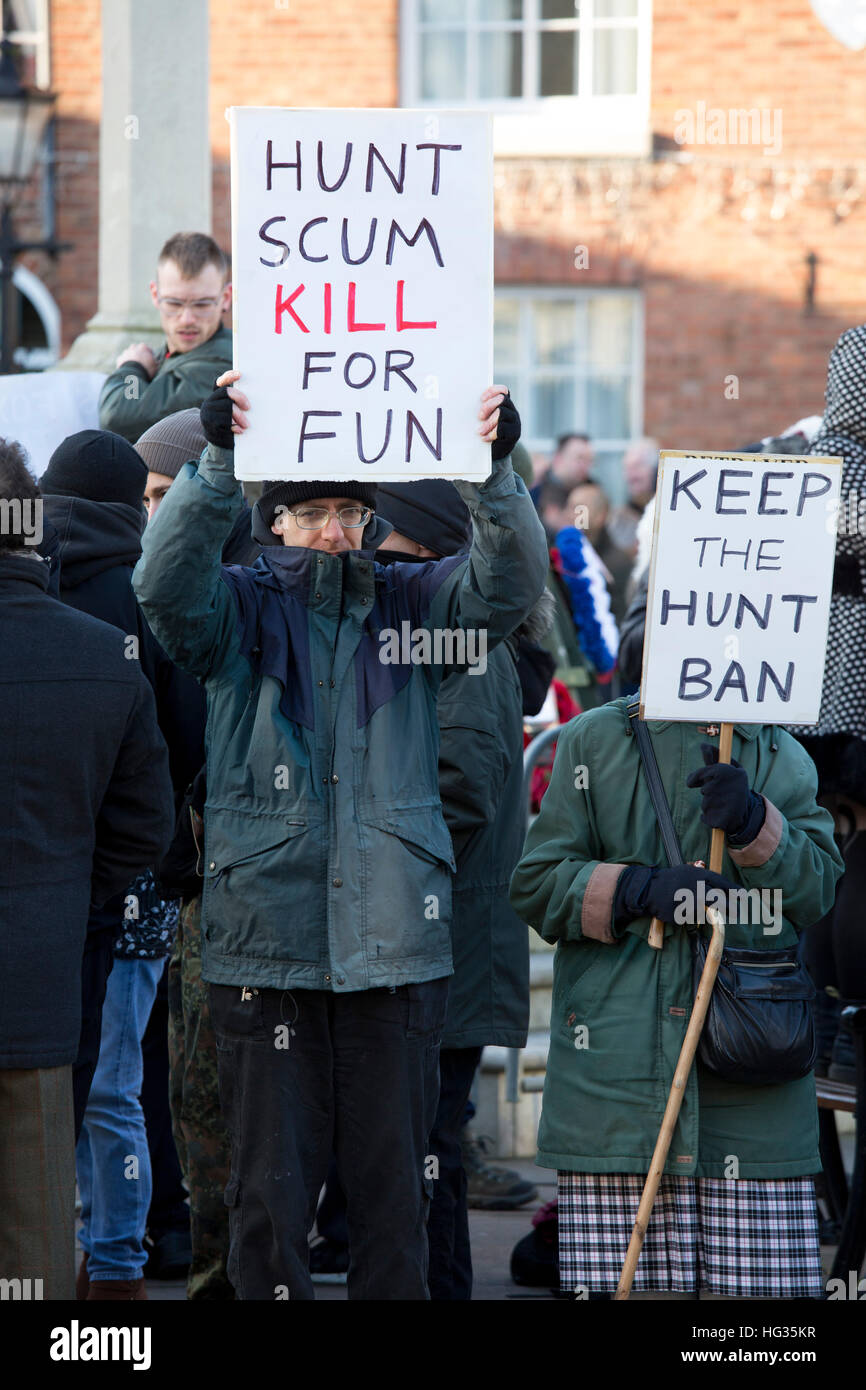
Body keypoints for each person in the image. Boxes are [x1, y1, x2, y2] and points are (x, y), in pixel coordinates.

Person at [131, 371, 548, 1300]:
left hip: (391, 950)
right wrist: (219, 461)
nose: (331, 529)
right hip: (266, 946)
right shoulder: (233, 612)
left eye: (349, 512)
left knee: (393, 1204)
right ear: (273, 520)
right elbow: (160, 582)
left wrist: (493, 468)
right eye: (310, 511)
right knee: (267, 1207)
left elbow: (511, 580)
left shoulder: (414, 607)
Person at [510, 698, 843, 1299]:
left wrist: (754, 826)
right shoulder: (593, 740)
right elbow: (536, 886)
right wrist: (636, 888)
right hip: (616, 1105)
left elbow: (815, 893)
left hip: (754, 1113)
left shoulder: (780, 753)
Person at [0, 440, 173, 1302]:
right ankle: (109, 1275)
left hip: (64, 951)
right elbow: (149, 816)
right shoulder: (109, 651)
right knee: (34, 1237)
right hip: (52, 975)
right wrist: (78, 895)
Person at [787, 325, 866, 1082]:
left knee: (830, 856)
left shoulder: (807, 464)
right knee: (848, 859)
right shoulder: (846, 470)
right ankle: (838, 1032)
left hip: (808, 702)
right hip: (847, 701)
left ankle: (822, 1027)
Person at [98, 232, 233, 443]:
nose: (187, 318)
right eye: (174, 303)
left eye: (202, 304)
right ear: (155, 295)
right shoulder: (162, 356)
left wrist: (132, 370)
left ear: (225, 298)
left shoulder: (223, 363)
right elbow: (132, 399)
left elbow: (120, 415)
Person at [568, 480, 634, 625]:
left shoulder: (617, 563)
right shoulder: (558, 554)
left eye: (580, 509)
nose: (572, 515)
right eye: (570, 507)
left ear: (601, 516)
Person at [530, 432, 594, 507]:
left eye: (589, 460)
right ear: (558, 458)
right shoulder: (535, 490)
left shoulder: (593, 492)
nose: (585, 465)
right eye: (580, 458)